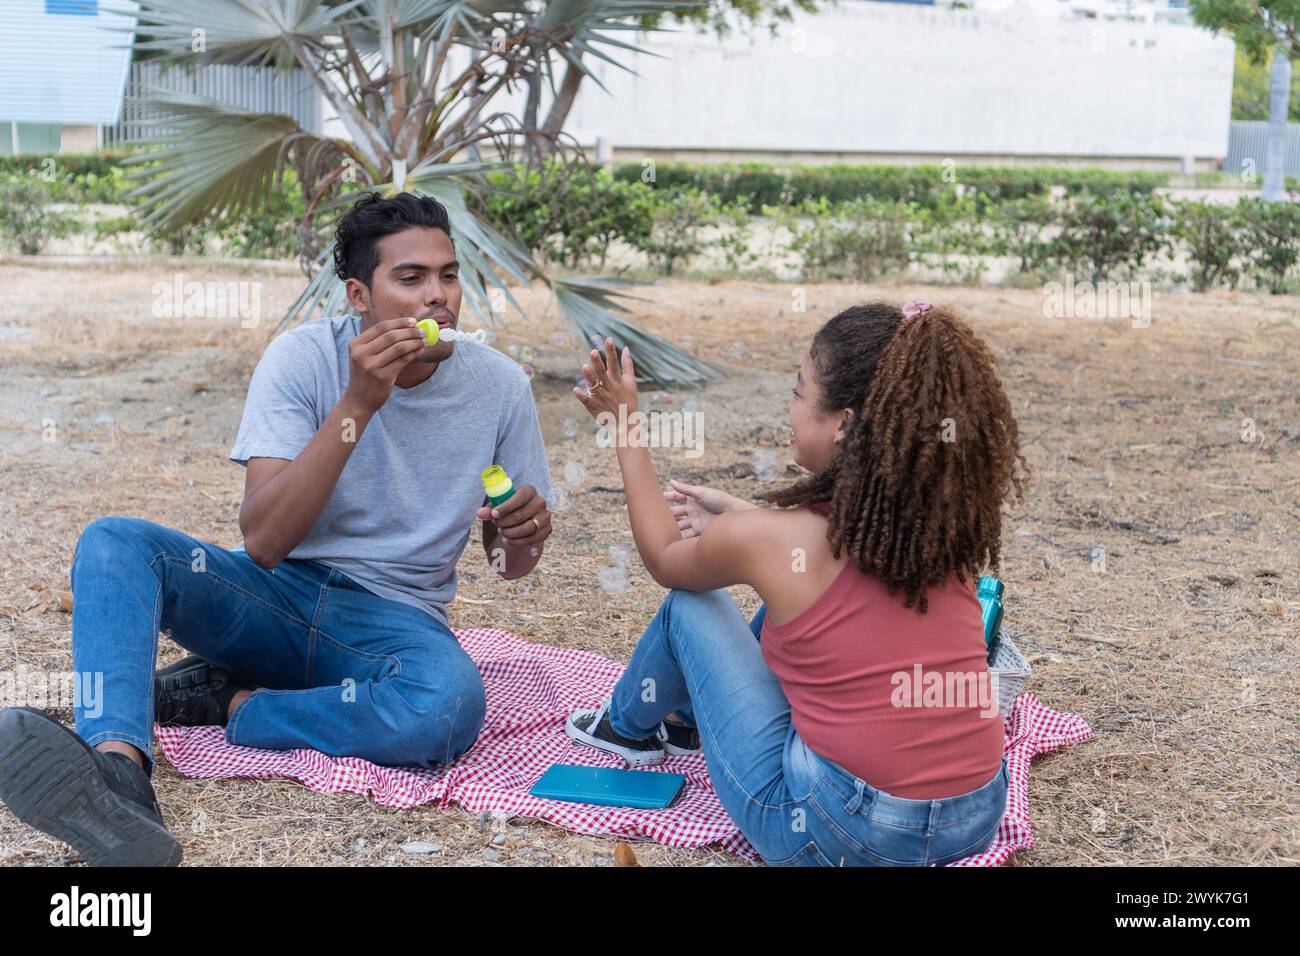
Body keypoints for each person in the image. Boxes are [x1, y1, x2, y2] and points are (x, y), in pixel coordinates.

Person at [0, 192, 554, 866]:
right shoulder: (301, 360)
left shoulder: (499, 385)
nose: (438, 298)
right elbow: (264, 541)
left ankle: (231, 701)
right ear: (358, 294)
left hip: (395, 624)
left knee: (447, 707)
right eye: (410, 279)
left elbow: (511, 563)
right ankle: (119, 777)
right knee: (115, 542)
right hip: (273, 597)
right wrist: (357, 405)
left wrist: (521, 536)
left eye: (448, 275)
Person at [565, 301, 1028, 866]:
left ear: (844, 424)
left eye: (798, 390)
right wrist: (741, 517)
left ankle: (626, 729)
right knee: (789, 619)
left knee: (693, 606)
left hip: (839, 833)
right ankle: (685, 724)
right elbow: (823, 563)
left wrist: (623, 427)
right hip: (975, 814)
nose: (789, 407)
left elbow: (666, 557)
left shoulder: (777, 543)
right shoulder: (936, 533)